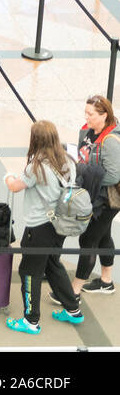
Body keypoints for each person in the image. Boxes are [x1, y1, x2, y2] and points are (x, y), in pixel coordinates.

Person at [4, 121, 85, 333]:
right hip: (60, 225)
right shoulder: (68, 161)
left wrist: (7, 176)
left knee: (29, 272)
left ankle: (31, 320)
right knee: (52, 264)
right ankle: (72, 309)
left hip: (39, 228)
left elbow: (14, 186)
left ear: (36, 140)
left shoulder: (36, 167)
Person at [72, 95, 120, 296]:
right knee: (103, 236)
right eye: (86, 112)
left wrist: (87, 176)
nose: (86, 117)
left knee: (88, 240)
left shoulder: (110, 142)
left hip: (107, 200)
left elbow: (114, 175)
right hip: (95, 195)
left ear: (104, 115)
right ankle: (106, 281)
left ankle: (73, 292)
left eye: (90, 114)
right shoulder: (87, 130)